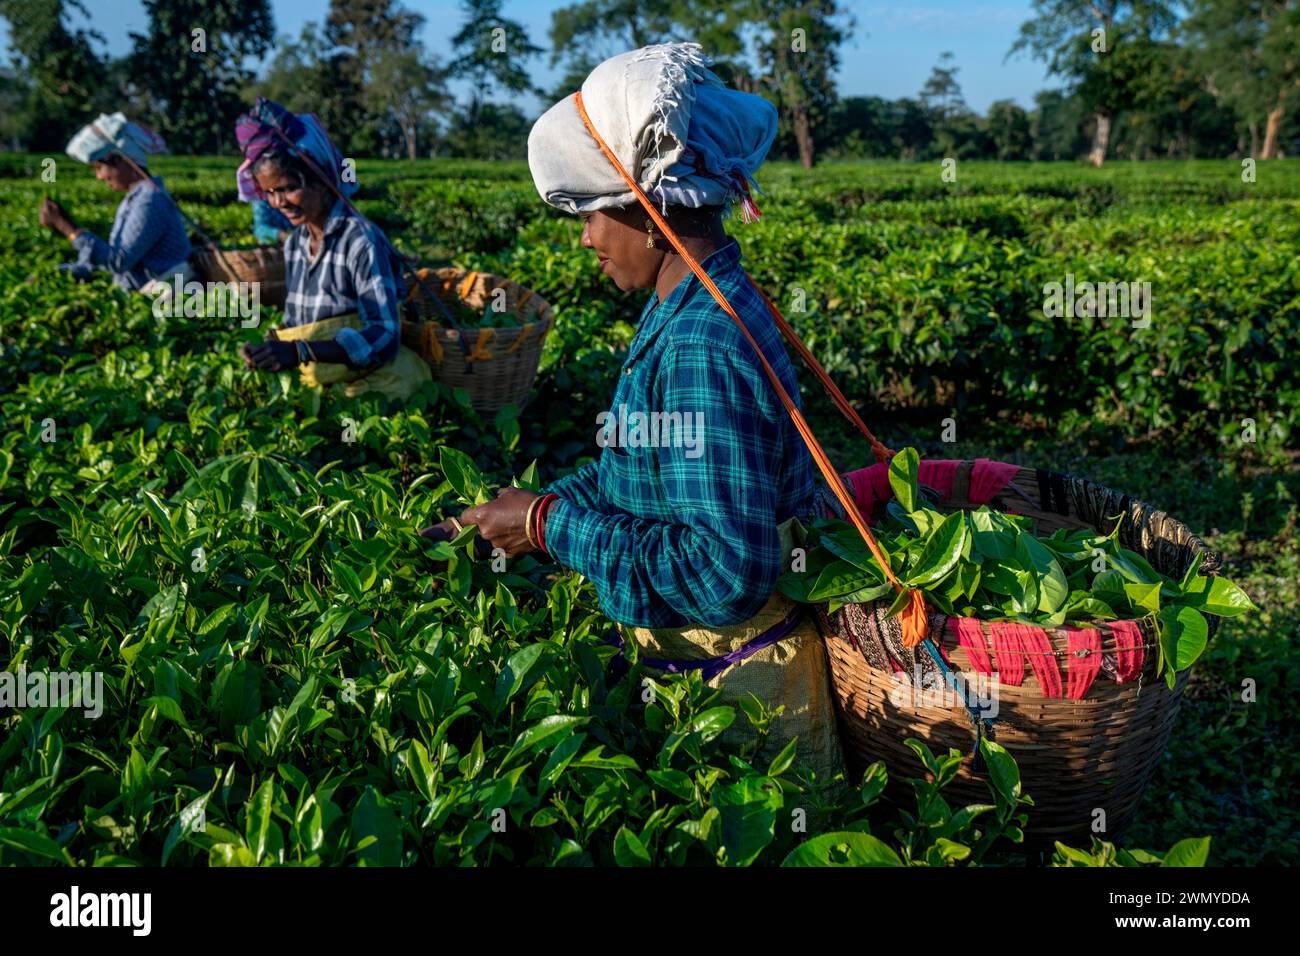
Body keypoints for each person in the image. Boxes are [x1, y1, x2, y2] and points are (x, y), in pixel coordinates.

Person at [424, 44, 846, 789]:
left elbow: (724, 573)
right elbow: (636, 466)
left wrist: (549, 527)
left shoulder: (699, 342)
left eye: (590, 215)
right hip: (707, 679)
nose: (585, 239)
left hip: (742, 707)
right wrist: (508, 517)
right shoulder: (687, 301)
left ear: (648, 212)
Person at [234, 98, 429, 402]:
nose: (278, 202)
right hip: (321, 391)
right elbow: (300, 321)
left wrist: (301, 350)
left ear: (322, 179)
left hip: (377, 389)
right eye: (270, 193)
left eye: (287, 188)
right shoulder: (296, 244)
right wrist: (269, 347)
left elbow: (385, 336)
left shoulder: (361, 240)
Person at [41, 113, 192, 294]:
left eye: (99, 168)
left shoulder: (150, 200)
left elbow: (119, 261)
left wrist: (67, 228)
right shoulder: (135, 198)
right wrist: (55, 272)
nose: (99, 177)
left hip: (163, 298)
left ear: (119, 161)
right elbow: (112, 262)